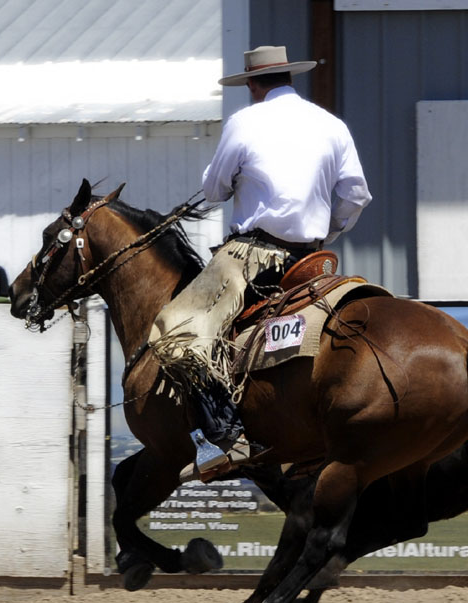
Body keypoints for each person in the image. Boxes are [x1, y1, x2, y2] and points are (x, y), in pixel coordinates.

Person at [146, 45, 372, 478]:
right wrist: (330, 230)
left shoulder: (244, 122)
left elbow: (214, 191)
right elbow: (357, 196)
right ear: (290, 77)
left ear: (252, 84)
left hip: (253, 254)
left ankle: (226, 440)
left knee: (176, 331)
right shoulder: (332, 125)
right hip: (314, 255)